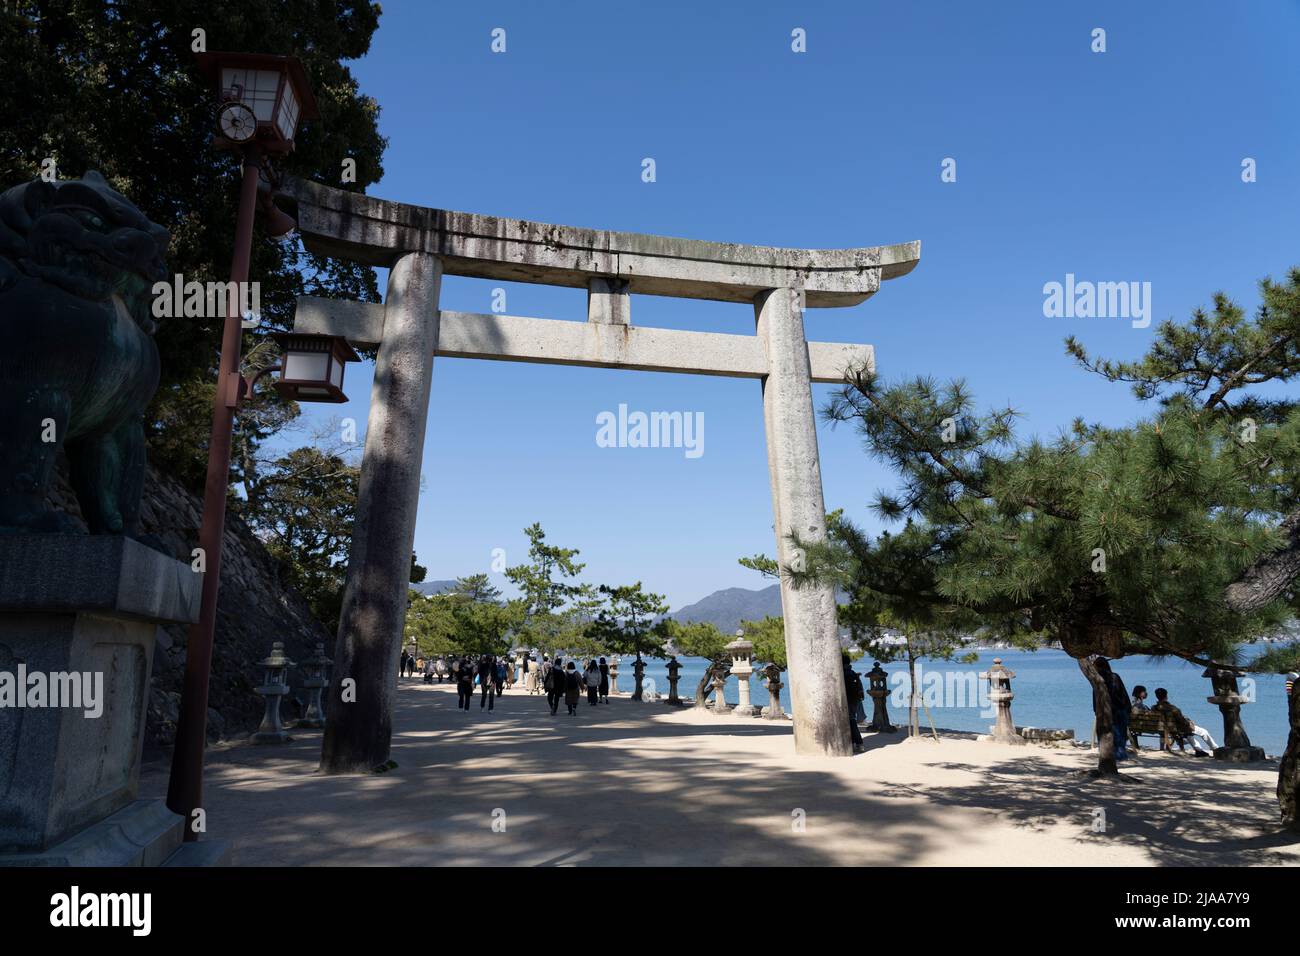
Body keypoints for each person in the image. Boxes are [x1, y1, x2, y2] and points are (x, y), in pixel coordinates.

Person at [1152, 687, 1216, 755]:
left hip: (1162, 728)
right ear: (1166, 696)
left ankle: (1198, 750)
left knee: (1188, 734)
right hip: (1176, 728)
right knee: (1203, 732)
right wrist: (1189, 722)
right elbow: (1181, 720)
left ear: (1157, 696)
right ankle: (1215, 748)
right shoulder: (1172, 708)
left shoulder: (1154, 708)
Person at [1092, 657, 1132, 760]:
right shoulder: (1114, 677)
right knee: (1120, 736)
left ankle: (1110, 756)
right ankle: (1119, 756)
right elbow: (1123, 694)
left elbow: (1095, 697)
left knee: (1106, 736)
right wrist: (1128, 709)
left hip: (1104, 712)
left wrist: (1096, 710)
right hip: (1119, 710)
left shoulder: (1097, 679)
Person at [843, 653, 865, 754]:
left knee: (850, 722)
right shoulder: (853, 673)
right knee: (851, 720)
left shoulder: (843, 673)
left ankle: (858, 743)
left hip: (846, 700)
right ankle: (855, 744)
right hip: (855, 700)